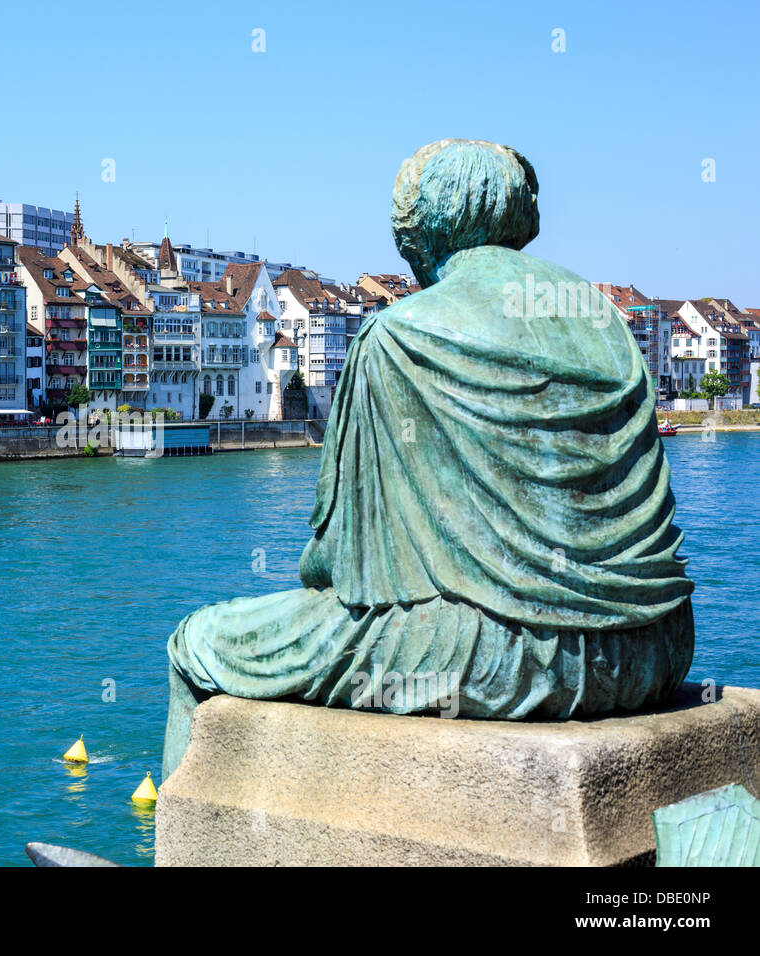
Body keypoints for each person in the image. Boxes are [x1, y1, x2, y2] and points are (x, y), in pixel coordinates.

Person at [163, 140, 694, 780]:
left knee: (200, 642)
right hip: (654, 648)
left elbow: (342, 566)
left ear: (423, 234)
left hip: (508, 656)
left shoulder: (397, 336)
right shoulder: (604, 319)